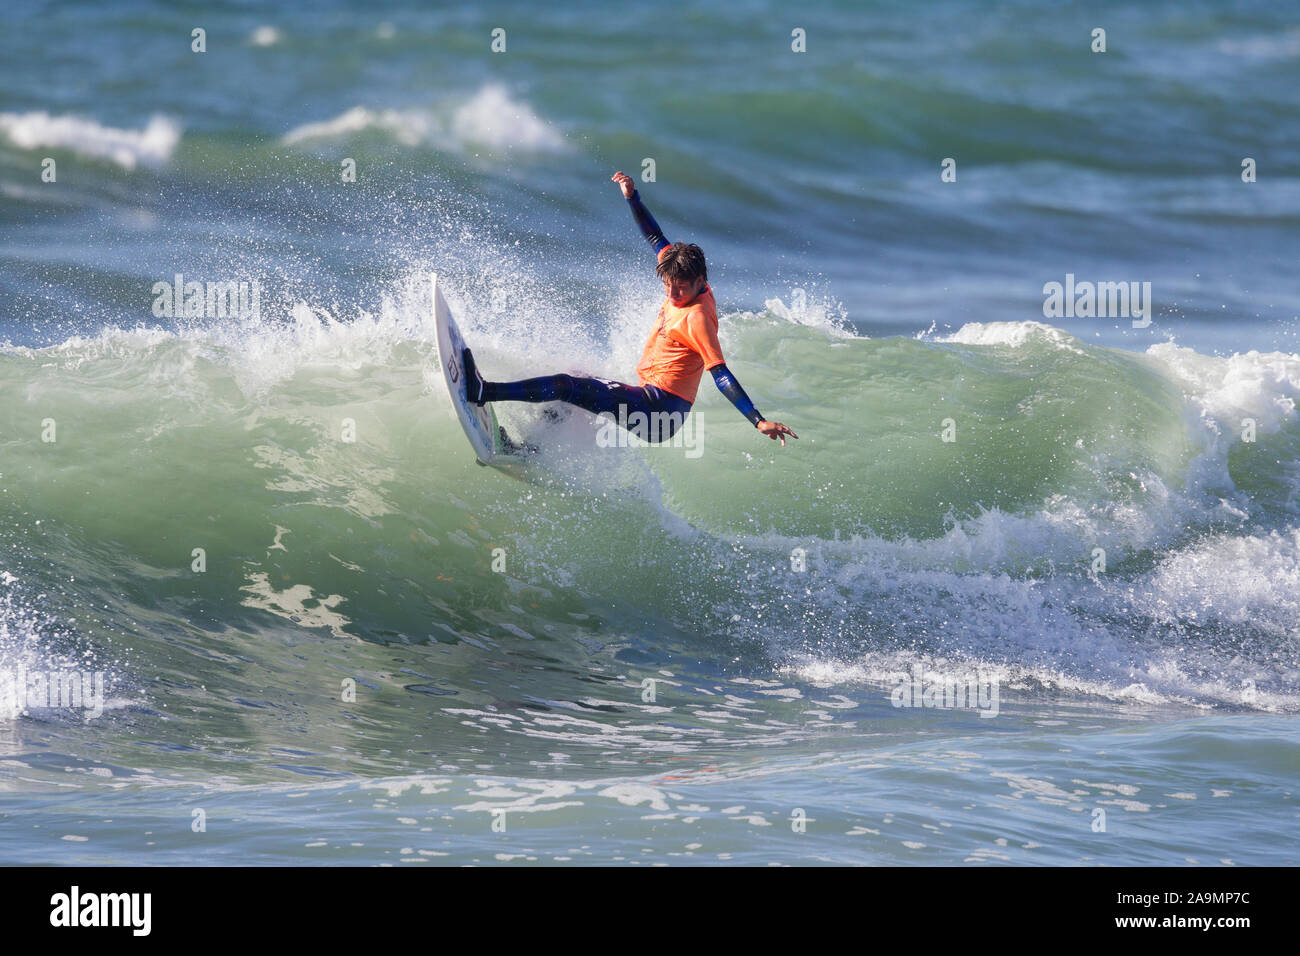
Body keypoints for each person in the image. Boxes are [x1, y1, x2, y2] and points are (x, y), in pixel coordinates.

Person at [462, 171, 798, 448]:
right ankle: (530, 451)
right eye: (667, 285)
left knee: (567, 386)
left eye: (680, 286)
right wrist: (631, 196)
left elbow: (720, 373)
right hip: (649, 398)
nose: (673, 292)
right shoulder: (677, 269)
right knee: (575, 381)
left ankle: (484, 391)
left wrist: (758, 420)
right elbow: (655, 237)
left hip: (659, 413)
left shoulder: (696, 318)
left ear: (699, 281)